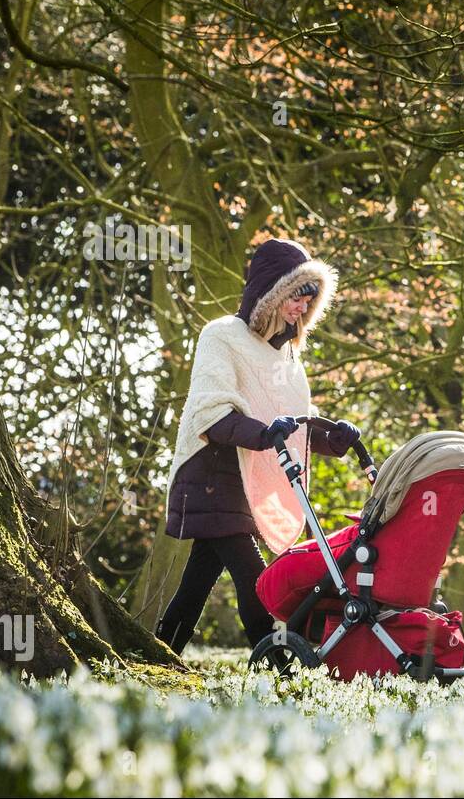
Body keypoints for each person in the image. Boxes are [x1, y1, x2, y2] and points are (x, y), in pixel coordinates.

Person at [154, 238, 361, 654]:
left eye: (309, 300)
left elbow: (291, 427)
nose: (301, 308)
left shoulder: (288, 360)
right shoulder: (223, 337)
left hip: (251, 485)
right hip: (213, 473)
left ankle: (156, 654)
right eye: (295, 296)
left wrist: (333, 440)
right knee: (256, 582)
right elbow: (211, 415)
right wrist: (264, 434)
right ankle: (277, 671)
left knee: (197, 581)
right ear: (272, 292)